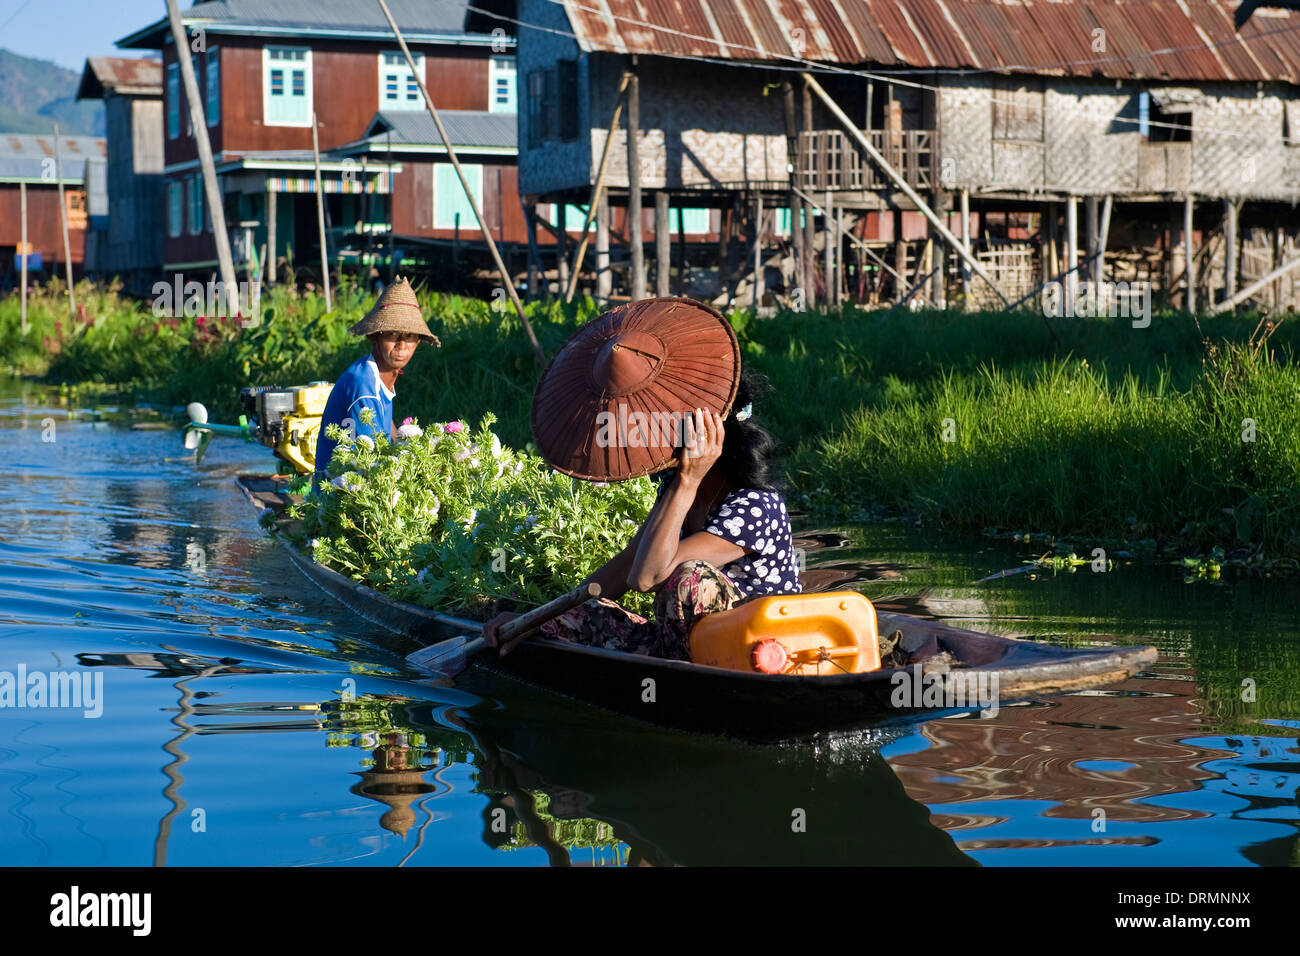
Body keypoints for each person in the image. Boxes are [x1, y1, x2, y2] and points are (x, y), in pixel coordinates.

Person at [485, 369, 802, 660]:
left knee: (689, 578)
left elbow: (646, 576)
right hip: (688, 646)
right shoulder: (676, 490)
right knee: (580, 614)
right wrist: (539, 618)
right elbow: (629, 563)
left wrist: (688, 480)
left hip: (756, 650)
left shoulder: (757, 505)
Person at [313, 277, 439, 482]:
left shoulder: (376, 375)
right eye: (392, 334)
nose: (402, 344)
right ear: (374, 336)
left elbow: (387, 431)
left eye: (409, 336)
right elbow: (374, 464)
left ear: (418, 341)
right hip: (342, 501)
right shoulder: (364, 386)